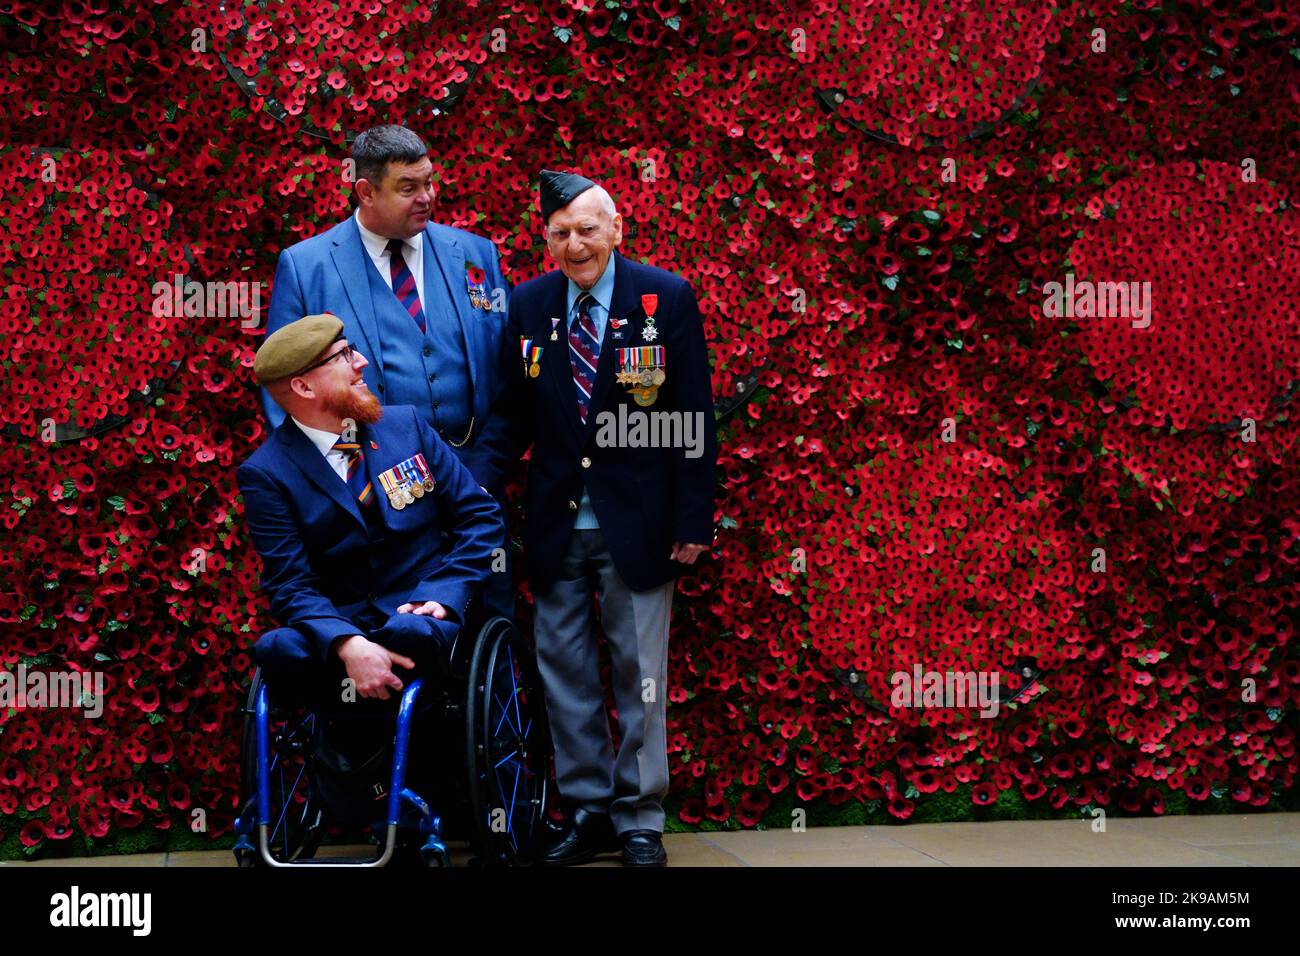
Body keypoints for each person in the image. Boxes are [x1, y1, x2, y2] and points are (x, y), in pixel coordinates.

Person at [503, 171, 718, 866]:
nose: (574, 244)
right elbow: (512, 417)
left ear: (617, 231)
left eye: (587, 229)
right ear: (547, 240)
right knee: (564, 674)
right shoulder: (529, 306)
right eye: (560, 233)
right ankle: (589, 809)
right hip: (557, 524)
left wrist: (692, 519)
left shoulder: (665, 297)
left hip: (642, 525)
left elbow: (691, 415)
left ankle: (640, 819)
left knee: (639, 676)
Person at [261, 124, 515, 615]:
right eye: (408, 187)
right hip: (375, 506)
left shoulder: (476, 254)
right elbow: (286, 396)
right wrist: (351, 490)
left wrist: (483, 474)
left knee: (489, 634)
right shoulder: (306, 266)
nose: (428, 197)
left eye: (430, 182)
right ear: (365, 190)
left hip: (474, 491)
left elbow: (508, 376)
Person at [238, 311, 502, 724]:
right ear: (303, 386)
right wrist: (347, 643)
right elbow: (288, 583)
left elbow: (480, 517)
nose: (361, 363)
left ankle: (384, 762)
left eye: (353, 350)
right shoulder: (267, 473)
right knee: (278, 649)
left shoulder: (406, 427)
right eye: (343, 356)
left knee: (408, 632)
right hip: (341, 618)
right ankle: (349, 766)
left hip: (420, 610)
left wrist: (445, 595)